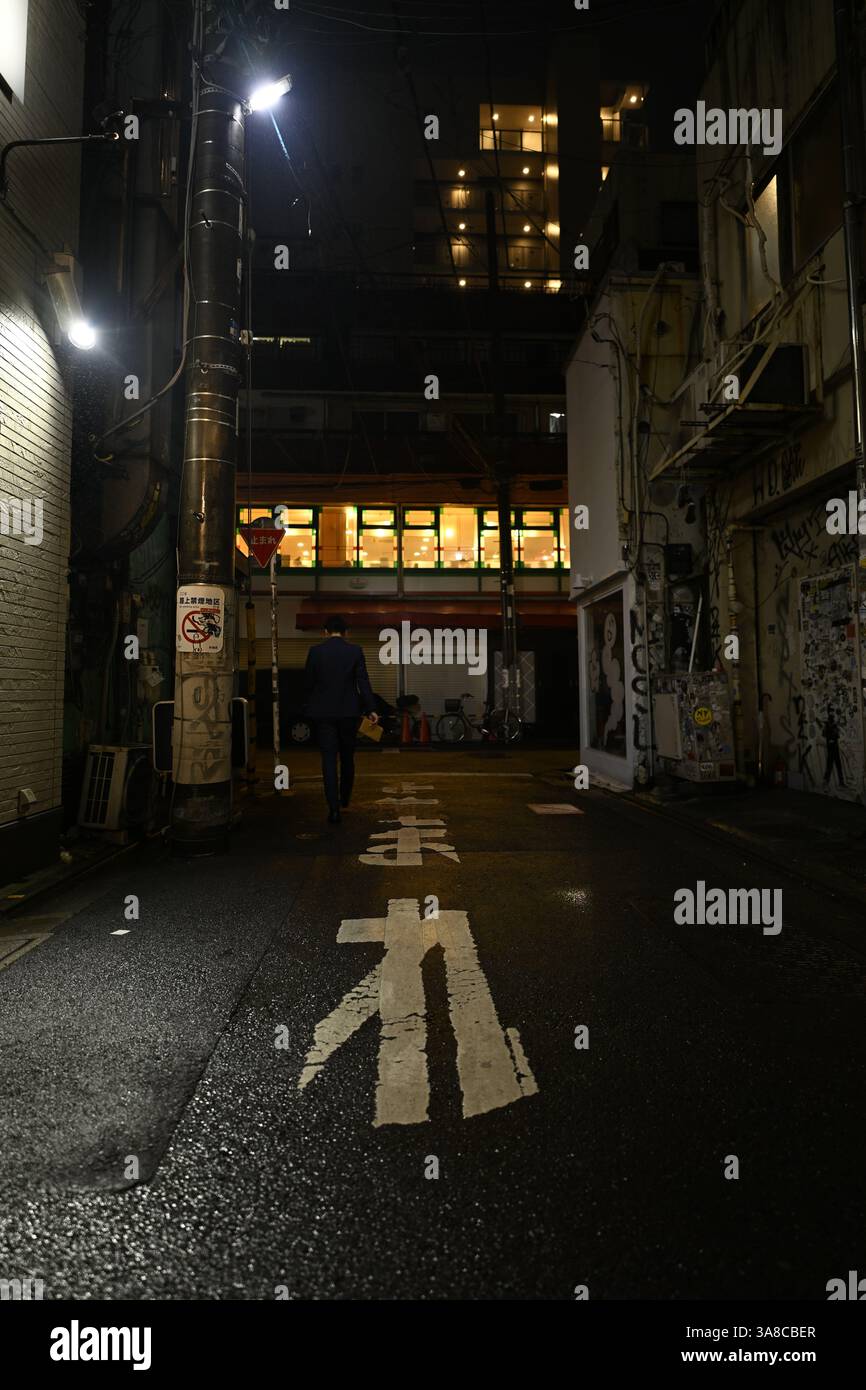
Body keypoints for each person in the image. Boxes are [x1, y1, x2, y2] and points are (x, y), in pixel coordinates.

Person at [304, 615, 379, 823]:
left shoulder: (316, 652)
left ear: (325, 632)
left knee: (328, 759)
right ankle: (345, 798)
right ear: (346, 632)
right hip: (349, 712)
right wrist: (371, 708)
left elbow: (308, 682)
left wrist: (309, 704)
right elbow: (362, 681)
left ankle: (333, 808)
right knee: (347, 757)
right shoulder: (355, 651)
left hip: (323, 713)